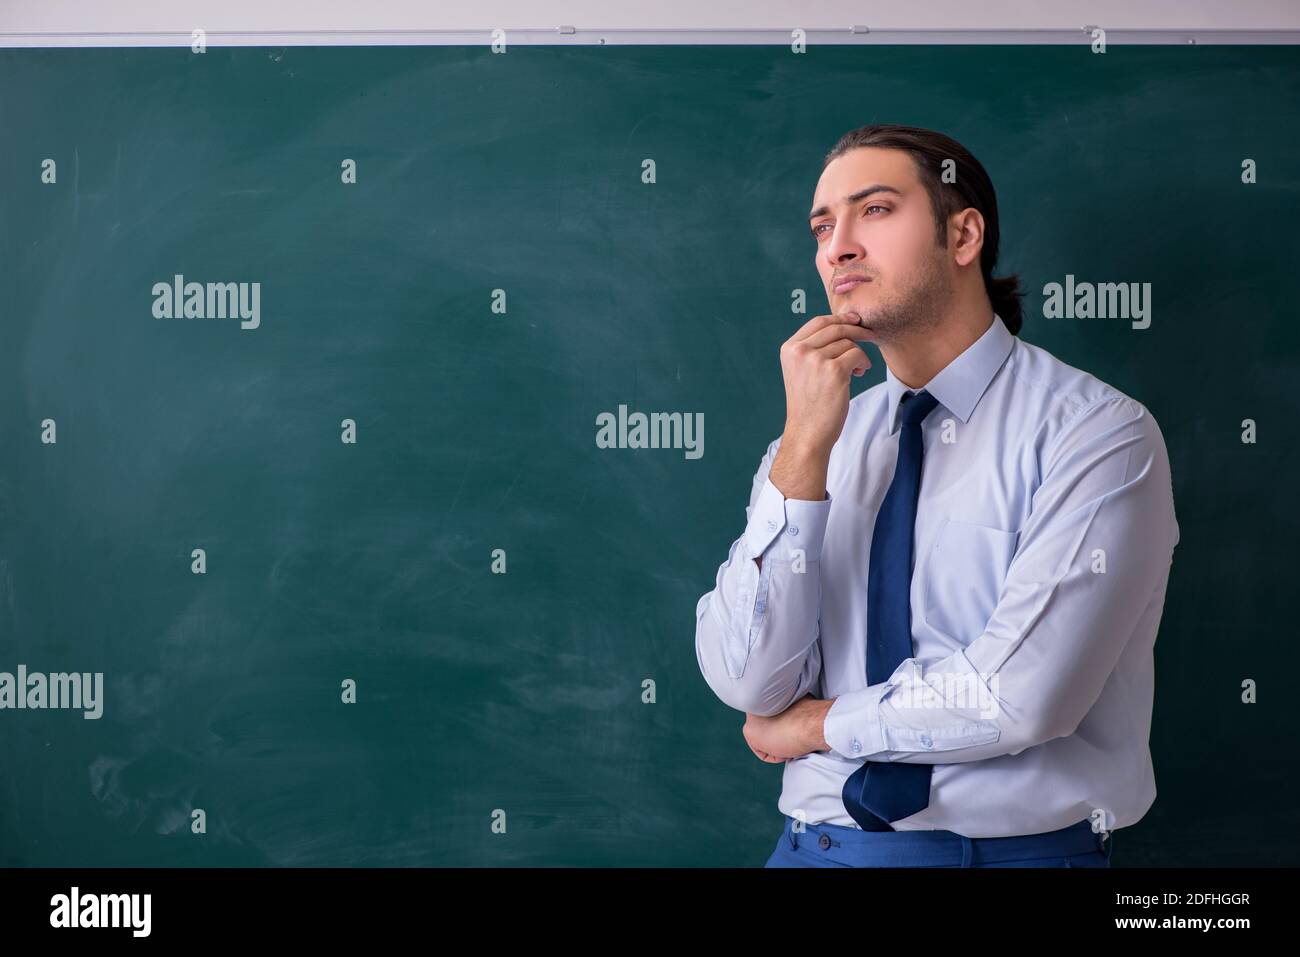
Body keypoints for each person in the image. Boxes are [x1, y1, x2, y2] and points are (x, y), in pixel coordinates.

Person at [693, 124, 1179, 868]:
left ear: (963, 235)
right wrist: (800, 454)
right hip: (811, 850)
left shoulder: (1098, 434)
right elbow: (748, 679)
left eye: (875, 210)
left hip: (1013, 857)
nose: (837, 246)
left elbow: (1020, 694)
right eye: (823, 226)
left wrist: (821, 726)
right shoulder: (814, 442)